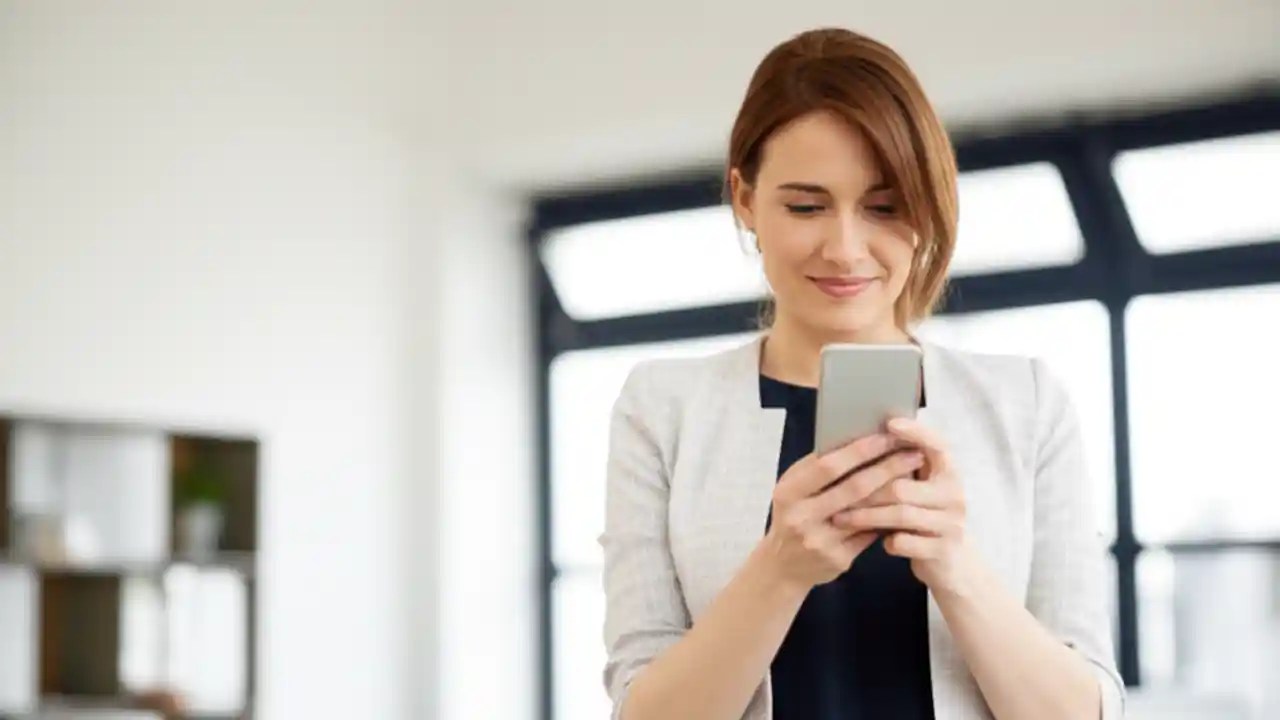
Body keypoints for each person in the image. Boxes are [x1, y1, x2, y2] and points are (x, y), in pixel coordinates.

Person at [599, 27, 1125, 720]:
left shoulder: (1026, 404)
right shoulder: (661, 409)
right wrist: (781, 568)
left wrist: (955, 567)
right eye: (806, 206)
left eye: (883, 206)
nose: (846, 249)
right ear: (745, 200)